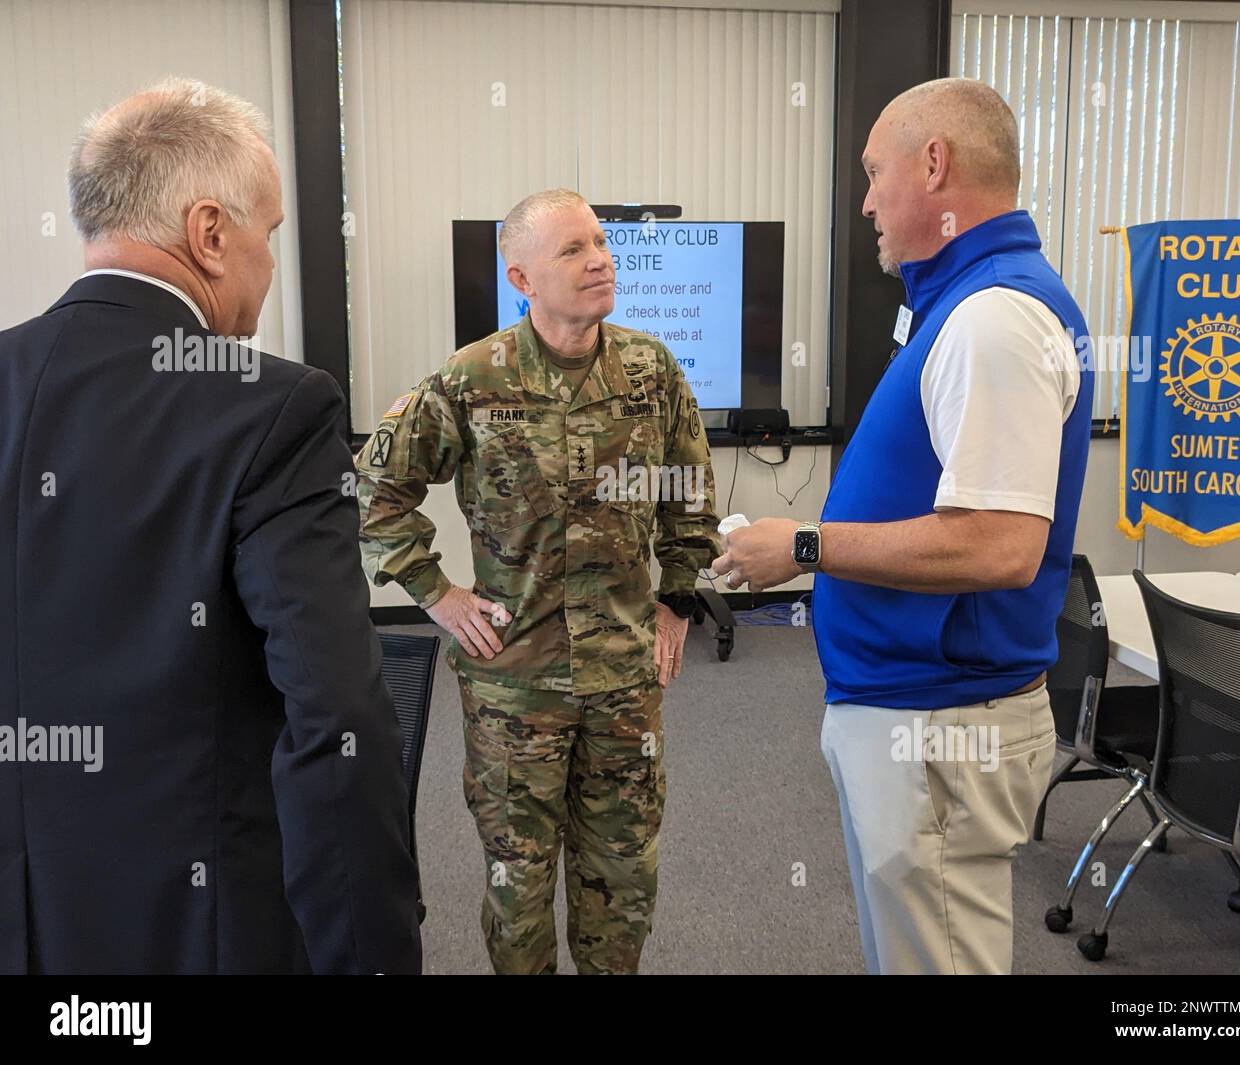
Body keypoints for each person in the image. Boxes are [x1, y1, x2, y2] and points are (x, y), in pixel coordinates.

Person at [0, 78, 422, 974]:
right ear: (210, 233)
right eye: (270, 233)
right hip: (196, 926)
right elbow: (336, 717)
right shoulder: (273, 410)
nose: (269, 263)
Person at [713, 78, 1093, 974]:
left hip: (941, 723)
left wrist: (802, 545)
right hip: (914, 712)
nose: (867, 202)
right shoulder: (964, 302)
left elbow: (999, 545)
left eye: (874, 173)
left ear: (933, 164)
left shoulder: (993, 317)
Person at [356, 188, 719, 974]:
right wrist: (436, 592)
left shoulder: (652, 371)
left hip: (624, 681)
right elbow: (376, 489)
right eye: (573, 249)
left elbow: (690, 492)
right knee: (518, 884)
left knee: (623, 877)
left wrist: (679, 597)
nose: (600, 260)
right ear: (521, 277)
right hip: (514, 685)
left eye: (601, 242)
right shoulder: (471, 379)